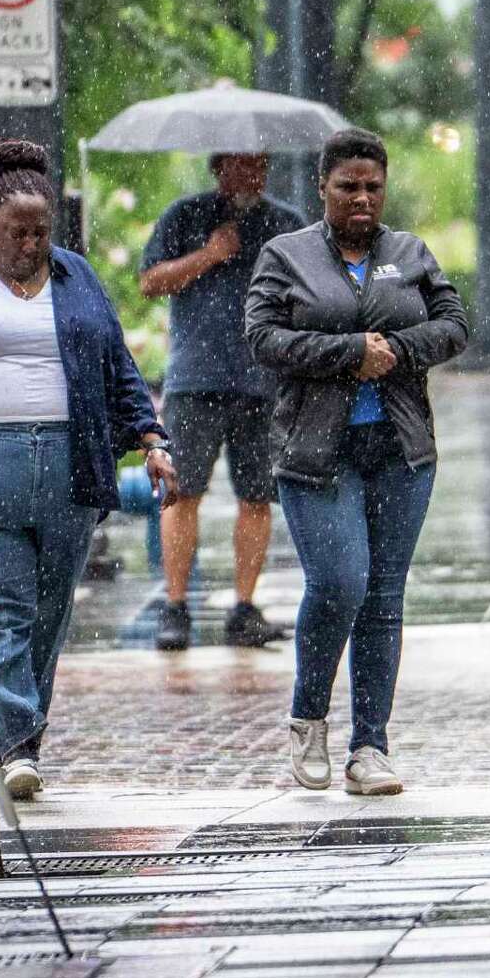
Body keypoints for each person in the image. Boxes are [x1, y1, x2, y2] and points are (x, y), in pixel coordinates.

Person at [0, 139, 178, 799]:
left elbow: (115, 364)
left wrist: (152, 437)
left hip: (72, 464)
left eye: (41, 232)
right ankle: (15, 740)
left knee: (50, 611)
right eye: (17, 231)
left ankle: (21, 735)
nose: (29, 244)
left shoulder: (75, 276)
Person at [244, 128, 467, 797]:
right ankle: (308, 718)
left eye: (373, 186)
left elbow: (454, 325)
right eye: (349, 187)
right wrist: (347, 353)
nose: (362, 198)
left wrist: (396, 349)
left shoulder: (409, 253)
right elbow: (262, 338)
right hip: (316, 453)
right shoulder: (286, 256)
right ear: (323, 188)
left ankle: (370, 744)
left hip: (400, 452)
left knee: (384, 599)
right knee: (341, 582)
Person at [138, 154, 306, 650]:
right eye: (241, 165)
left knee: (257, 495)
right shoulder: (184, 215)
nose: (253, 175)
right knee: (182, 492)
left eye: (260, 164)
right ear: (218, 167)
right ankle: (175, 606)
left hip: (262, 379)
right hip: (196, 378)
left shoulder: (285, 224)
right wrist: (208, 255)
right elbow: (150, 282)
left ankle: (244, 606)